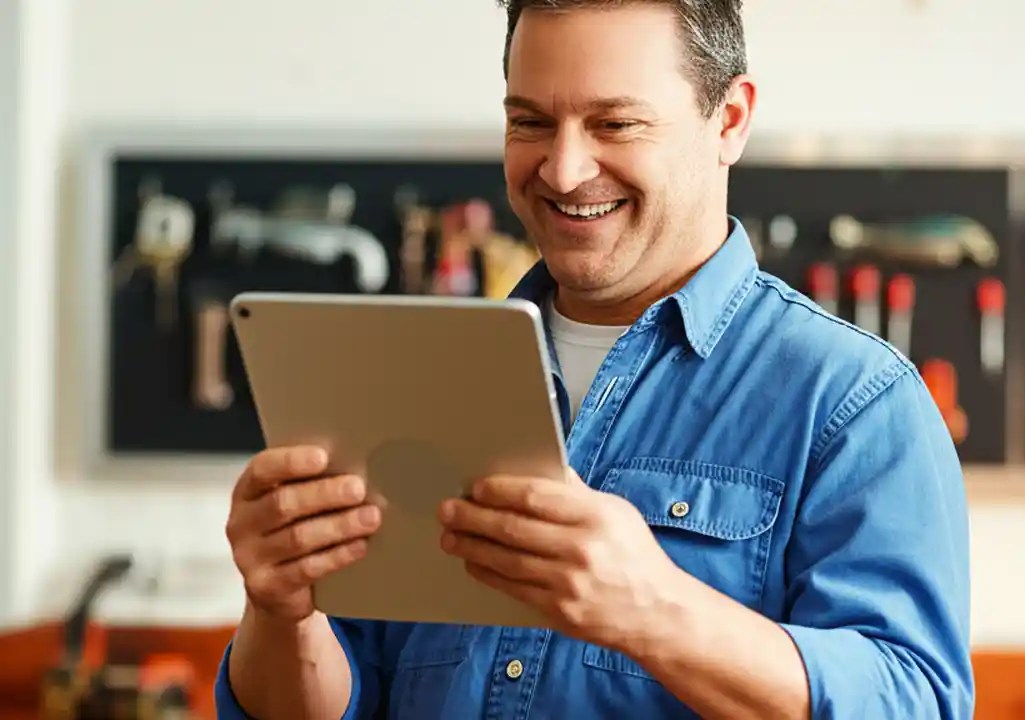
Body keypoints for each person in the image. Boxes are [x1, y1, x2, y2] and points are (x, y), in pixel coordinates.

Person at [214, 0, 975, 718]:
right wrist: (280, 607)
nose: (564, 169)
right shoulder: (417, 376)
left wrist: (655, 611)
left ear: (730, 120)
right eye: (530, 122)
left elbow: (916, 700)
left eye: (615, 123)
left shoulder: (854, 404)